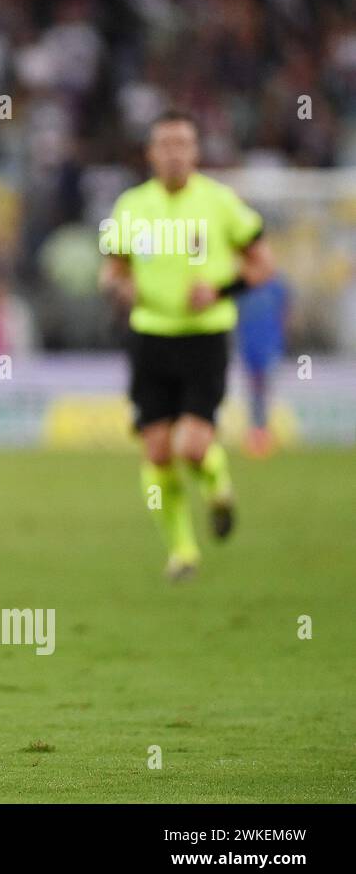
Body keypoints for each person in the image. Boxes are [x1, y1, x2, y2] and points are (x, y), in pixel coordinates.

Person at [99, 110, 275, 581]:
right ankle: (182, 553)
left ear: (196, 152)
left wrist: (219, 290)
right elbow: (111, 271)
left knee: (193, 447)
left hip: (204, 338)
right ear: (151, 153)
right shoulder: (130, 206)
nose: (174, 153)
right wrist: (121, 288)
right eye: (165, 144)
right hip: (149, 337)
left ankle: (218, 487)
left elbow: (263, 265)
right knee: (157, 451)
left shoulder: (221, 203)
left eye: (183, 144)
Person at [235, 275, 289, 457]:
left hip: (270, 346)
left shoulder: (275, 285)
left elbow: (285, 313)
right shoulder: (242, 285)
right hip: (249, 346)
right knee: (254, 392)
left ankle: (262, 434)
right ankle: (257, 434)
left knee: (263, 391)